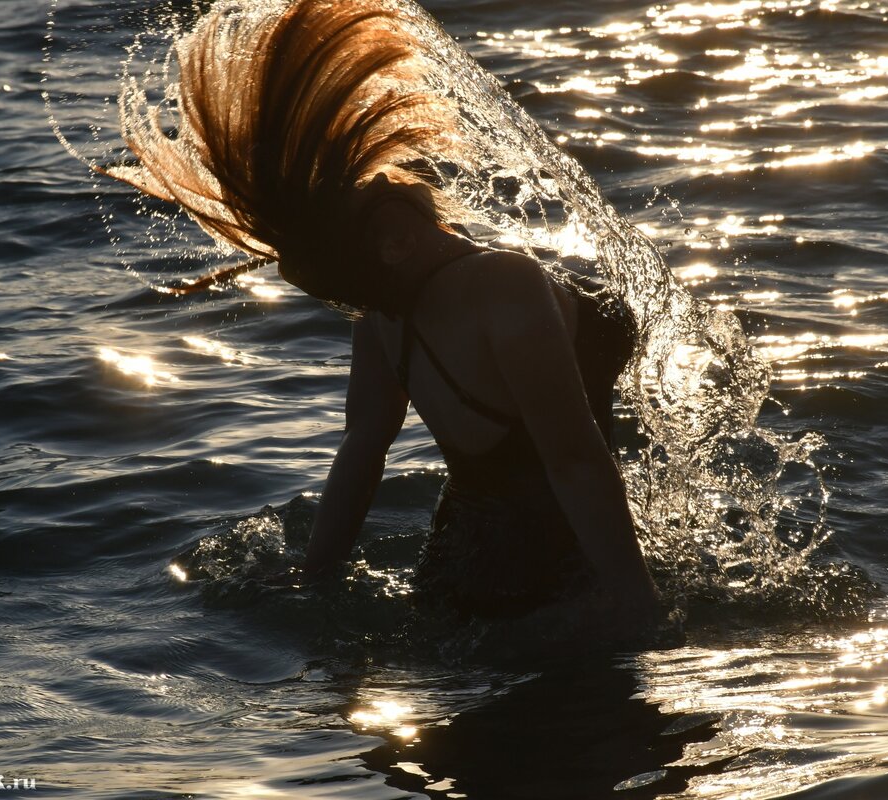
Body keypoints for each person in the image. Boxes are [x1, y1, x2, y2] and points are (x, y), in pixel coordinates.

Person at [102, 0, 660, 619]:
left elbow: (361, 454)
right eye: (383, 188)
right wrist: (645, 611)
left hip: (458, 567)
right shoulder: (504, 284)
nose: (398, 178)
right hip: (563, 572)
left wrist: (314, 580)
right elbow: (576, 463)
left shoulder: (382, 320)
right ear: (395, 241)